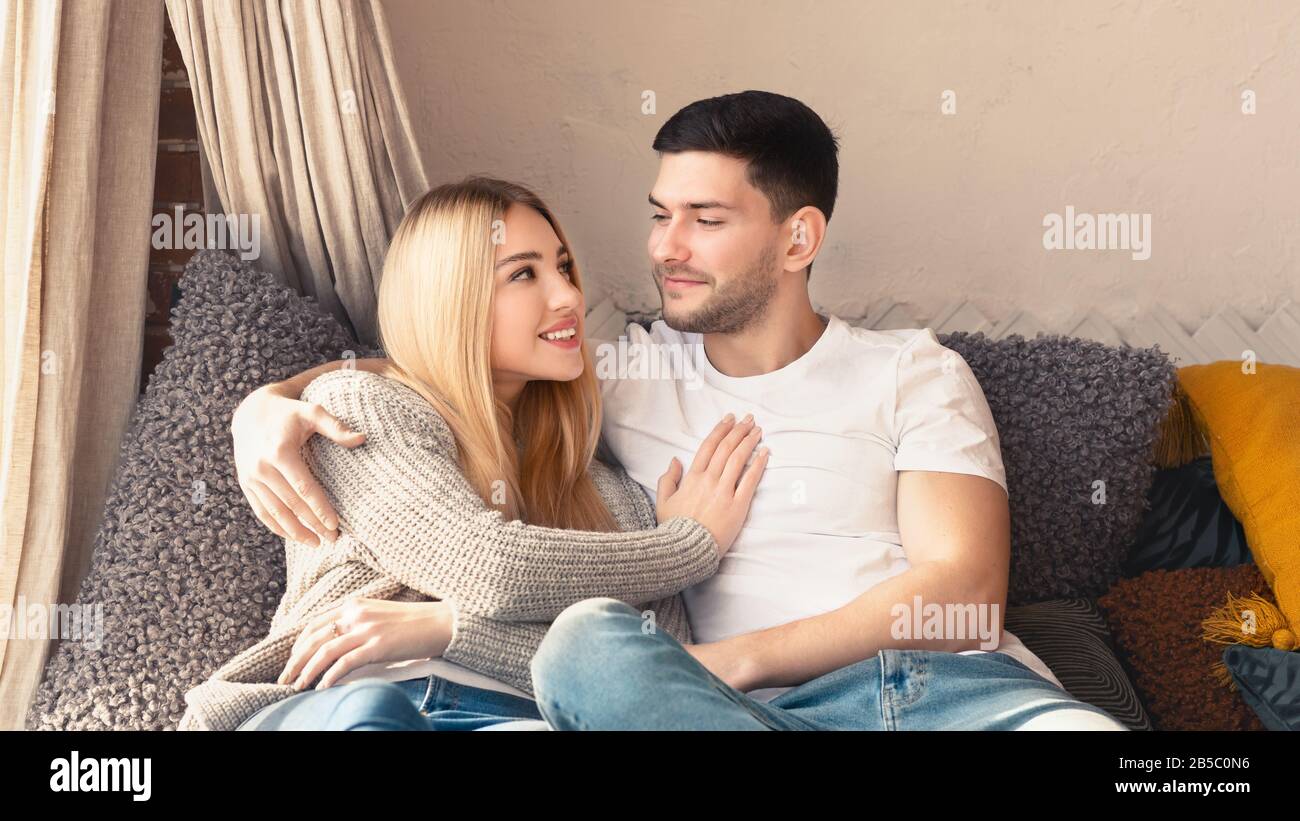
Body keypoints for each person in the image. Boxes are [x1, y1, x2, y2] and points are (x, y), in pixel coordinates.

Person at [235, 91, 1127, 731]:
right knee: (587, 645)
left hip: (940, 696)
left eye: (705, 218)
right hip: (702, 709)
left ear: (798, 238)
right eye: (661, 214)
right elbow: (450, 358)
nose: (666, 248)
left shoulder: (911, 371)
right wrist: (267, 405)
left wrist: (730, 659)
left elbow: (966, 595)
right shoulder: (614, 376)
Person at [177, 177, 768, 731]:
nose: (567, 296)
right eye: (523, 275)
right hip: (350, 702)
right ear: (450, 298)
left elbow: (647, 667)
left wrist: (448, 630)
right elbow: (489, 567)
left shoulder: (601, 487)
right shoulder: (359, 406)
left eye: (563, 267)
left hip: (515, 717)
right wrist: (690, 545)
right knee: (375, 714)